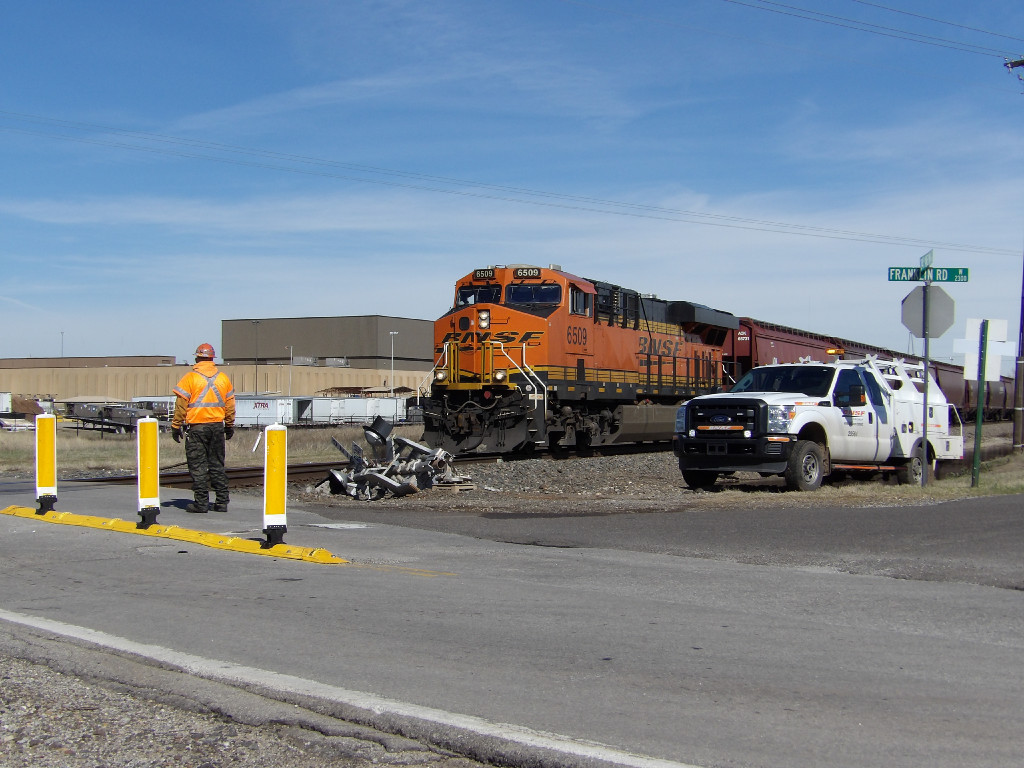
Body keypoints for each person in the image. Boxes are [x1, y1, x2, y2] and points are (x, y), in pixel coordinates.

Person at [171, 343, 236, 513]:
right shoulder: (223, 378)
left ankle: (201, 503)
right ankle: (222, 502)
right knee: (217, 464)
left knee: (198, 465)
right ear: (212, 359)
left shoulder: (190, 378)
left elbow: (180, 406)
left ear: (197, 358)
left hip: (197, 428)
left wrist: (176, 426)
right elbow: (230, 406)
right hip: (217, 428)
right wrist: (229, 425)